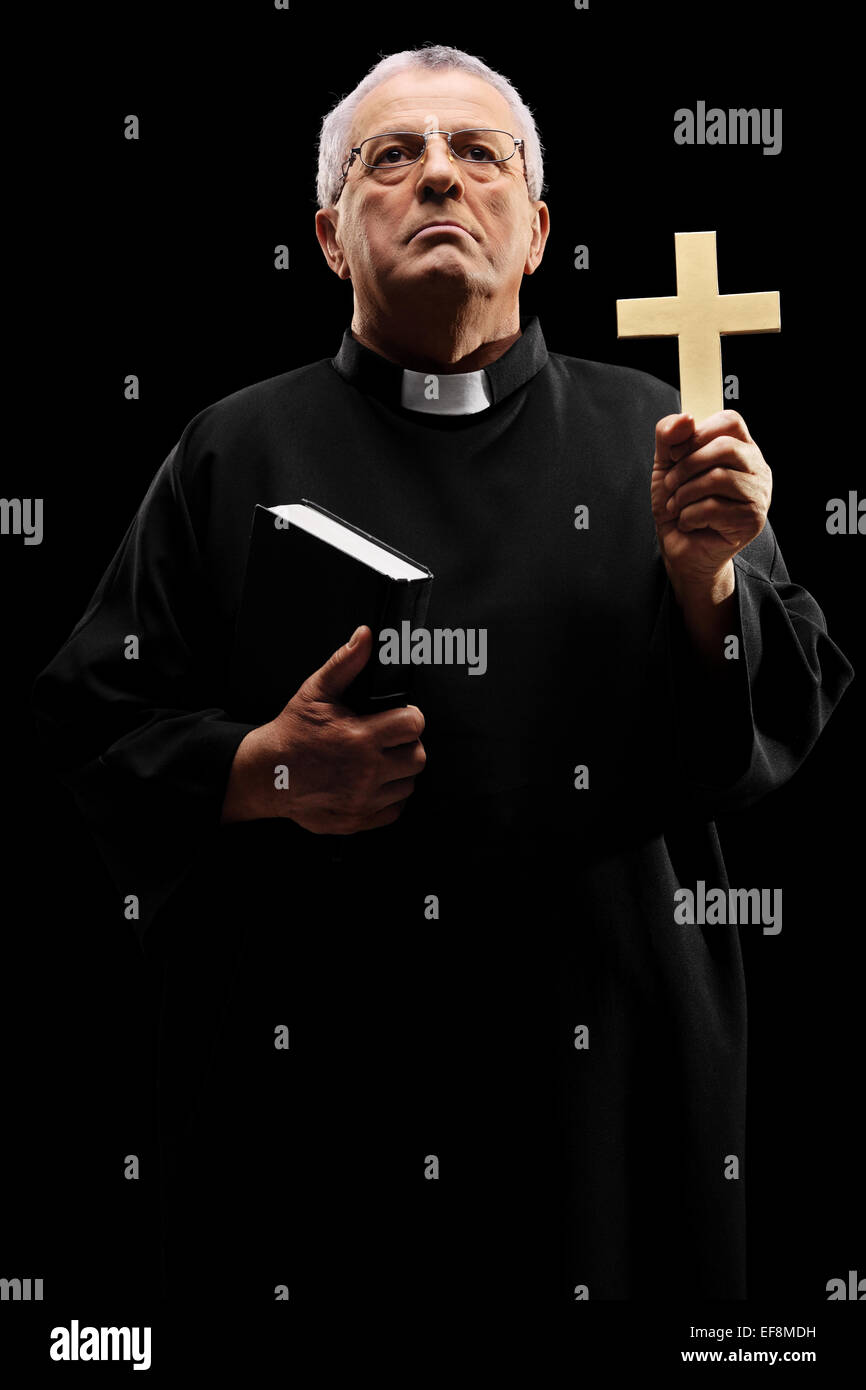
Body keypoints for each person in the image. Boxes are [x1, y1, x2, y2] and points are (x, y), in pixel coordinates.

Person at [31, 44, 853, 1309]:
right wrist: (261, 770)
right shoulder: (230, 447)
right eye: (391, 156)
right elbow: (86, 723)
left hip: (608, 1084)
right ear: (326, 233)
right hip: (305, 1087)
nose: (437, 180)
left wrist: (705, 581)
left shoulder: (666, 442)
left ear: (534, 231)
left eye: (479, 154)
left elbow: (760, 746)